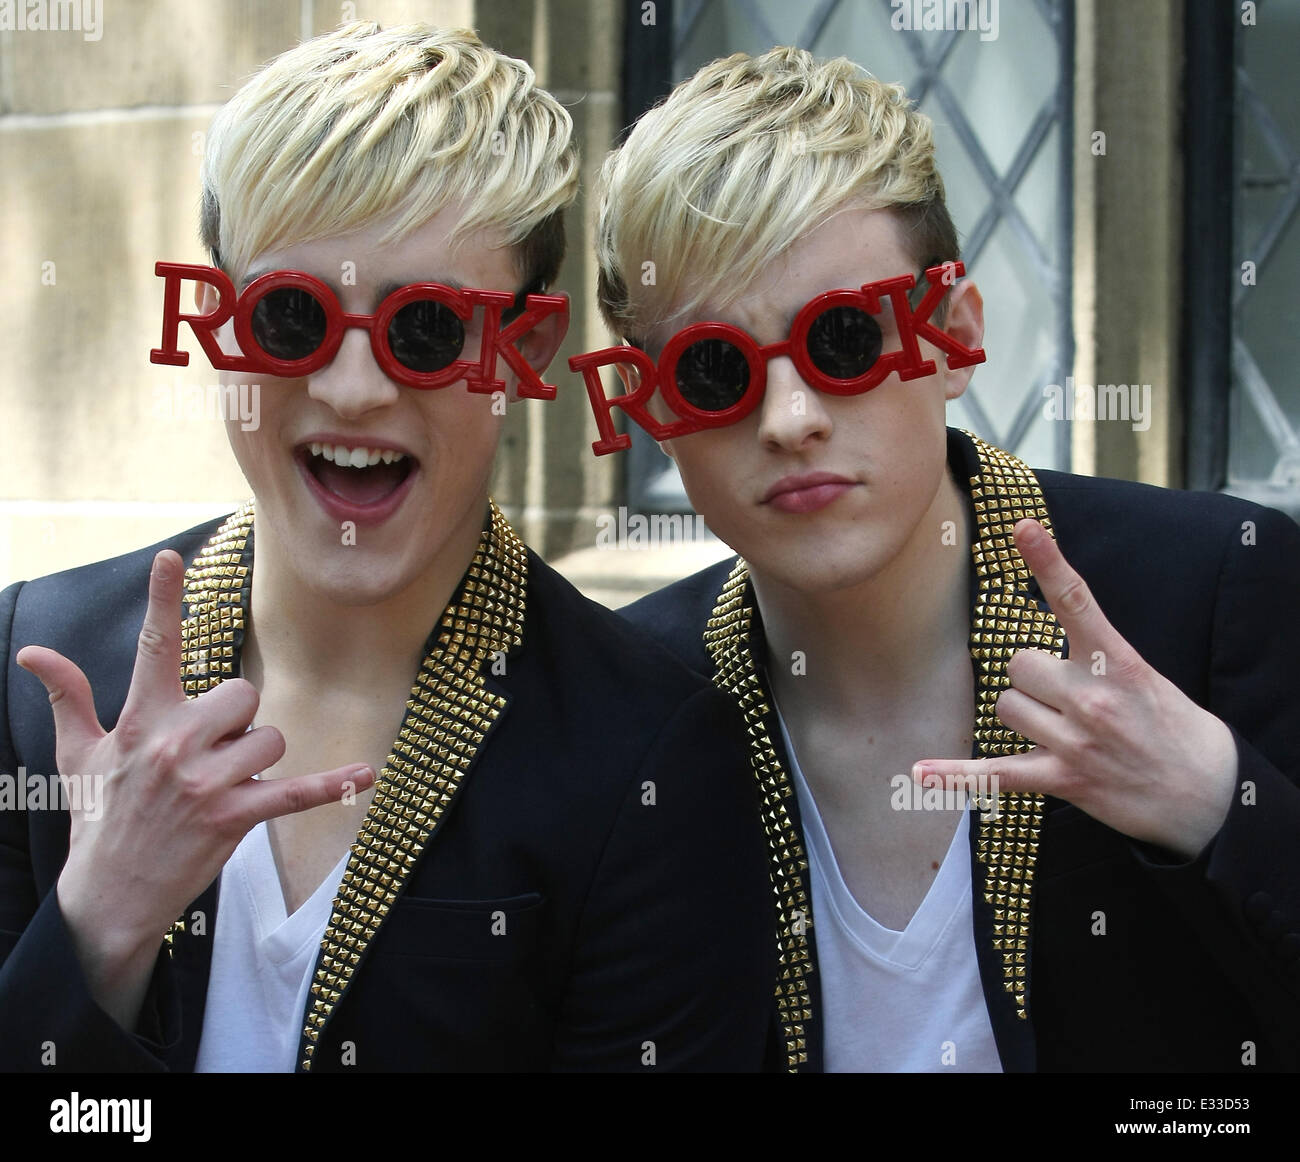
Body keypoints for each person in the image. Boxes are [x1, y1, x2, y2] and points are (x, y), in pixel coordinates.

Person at [0, 22, 774, 1073]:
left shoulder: (647, 751)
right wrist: (98, 924)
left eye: (425, 330)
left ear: (528, 348)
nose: (353, 389)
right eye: (288, 317)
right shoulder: (45, 670)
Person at [577, 46, 1300, 1072]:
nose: (789, 420)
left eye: (841, 343)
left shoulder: (1204, 592)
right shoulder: (631, 696)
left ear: (954, 334)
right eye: (711, 368)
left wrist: (1215, 801)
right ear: (651, 409)